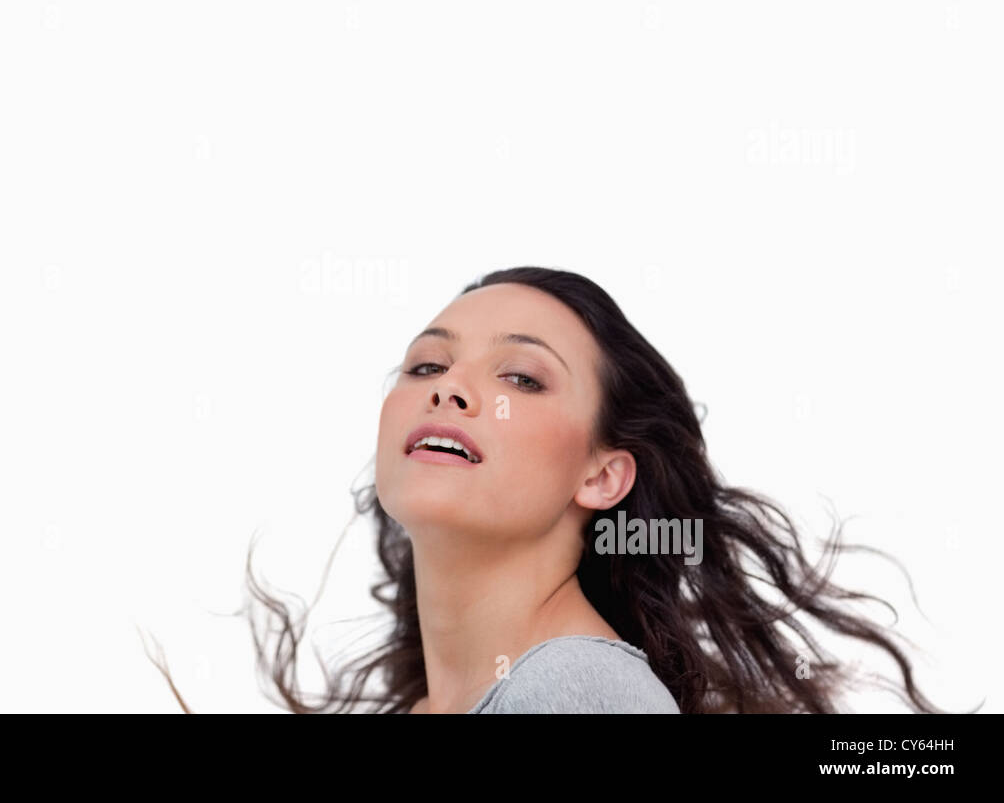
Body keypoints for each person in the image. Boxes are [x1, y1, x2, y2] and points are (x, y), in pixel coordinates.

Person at [149, 266, 962, 713]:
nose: (450, 389)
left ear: (602, 476)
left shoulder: (578, 694)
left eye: (522, 378)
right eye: (427, 364)